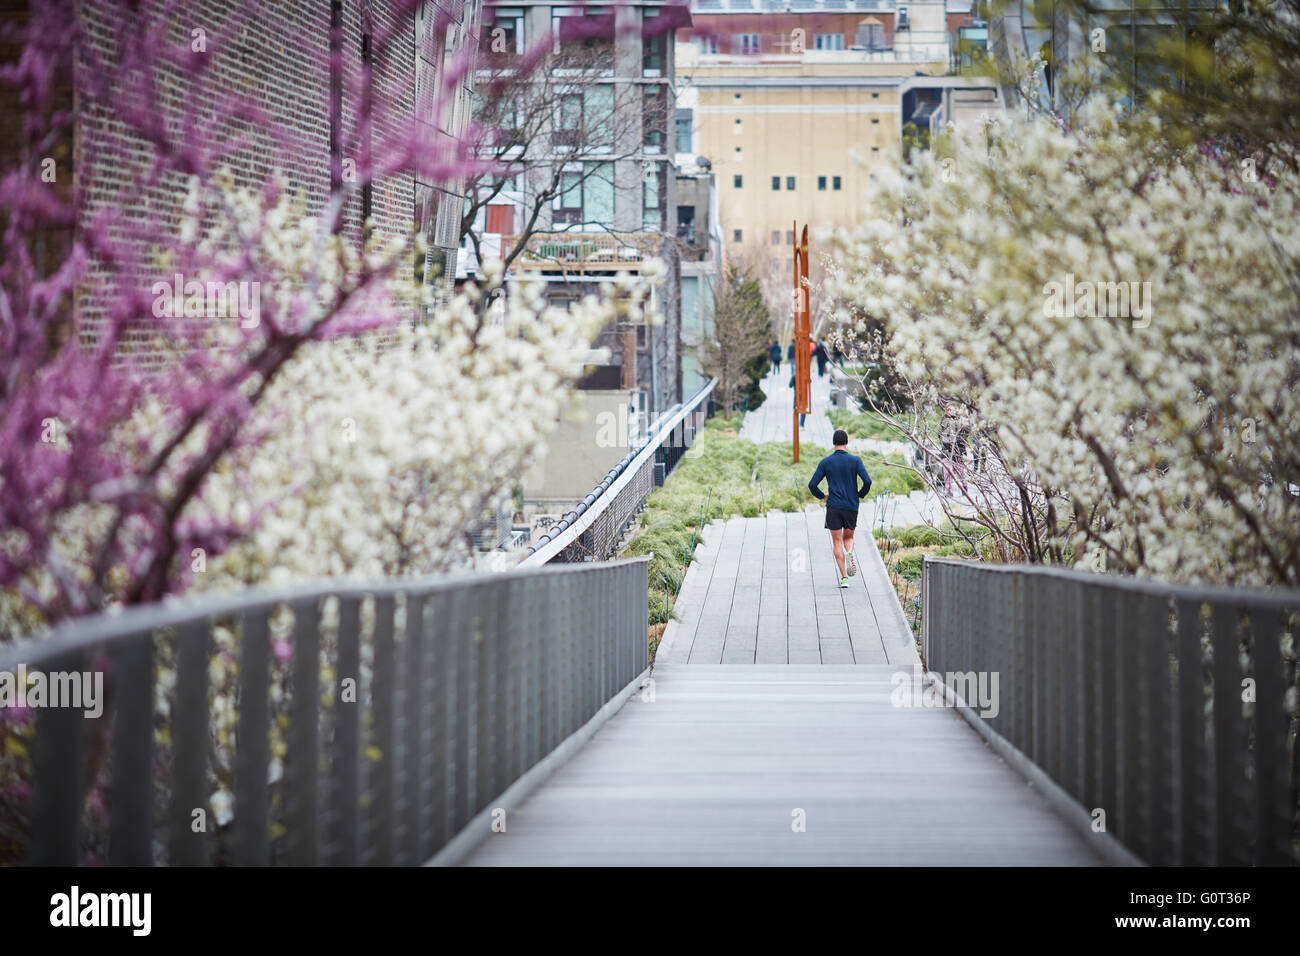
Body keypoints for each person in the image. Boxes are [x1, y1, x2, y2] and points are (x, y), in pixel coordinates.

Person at [807, 429, 872, 588]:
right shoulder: (855, 461)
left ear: (833, 443)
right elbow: (868, 481)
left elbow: (812, 485)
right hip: (851, 505)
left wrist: (823, 496)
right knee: (848, 538)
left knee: (836, 542)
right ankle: (850, 552)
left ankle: (844, 578)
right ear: (846, 442)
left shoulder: (826, 462)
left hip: (834, 506)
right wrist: (859, 495)